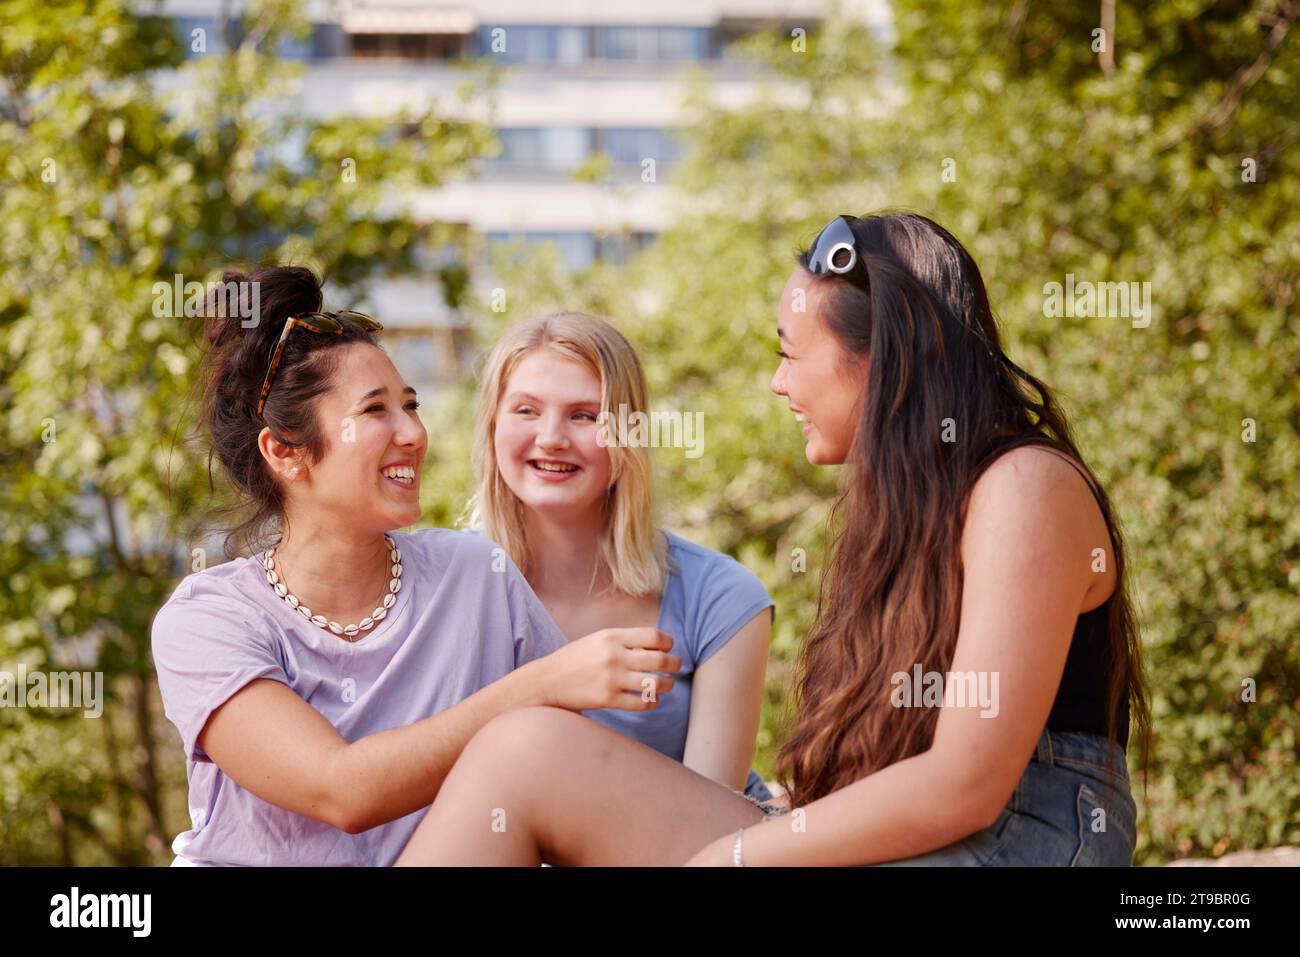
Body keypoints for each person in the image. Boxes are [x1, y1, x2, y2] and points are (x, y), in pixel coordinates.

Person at [395, 211, 1152, 866]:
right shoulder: (910, 512)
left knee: (530, 752)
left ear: (880, 361)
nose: (777, 383)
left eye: (791, 353)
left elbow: (968, 781)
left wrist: (736, 851)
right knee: (524, 750)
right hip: (928, 842)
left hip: (1016, 844)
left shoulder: (1024, 485)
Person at [151, 265, 677, 866]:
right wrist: (539, 685)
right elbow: (339, 790)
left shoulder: (475, 574)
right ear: (285, 452)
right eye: (376, 411)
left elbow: (563, 776)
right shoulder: (208, 620)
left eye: (411, 404)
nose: (413, 433)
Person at [469, 313, 775, 803]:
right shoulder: (443, 585)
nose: (551, 437)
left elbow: (706, 820)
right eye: (526, 410)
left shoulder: (722, 597)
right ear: (492, 426)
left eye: (585, 416)